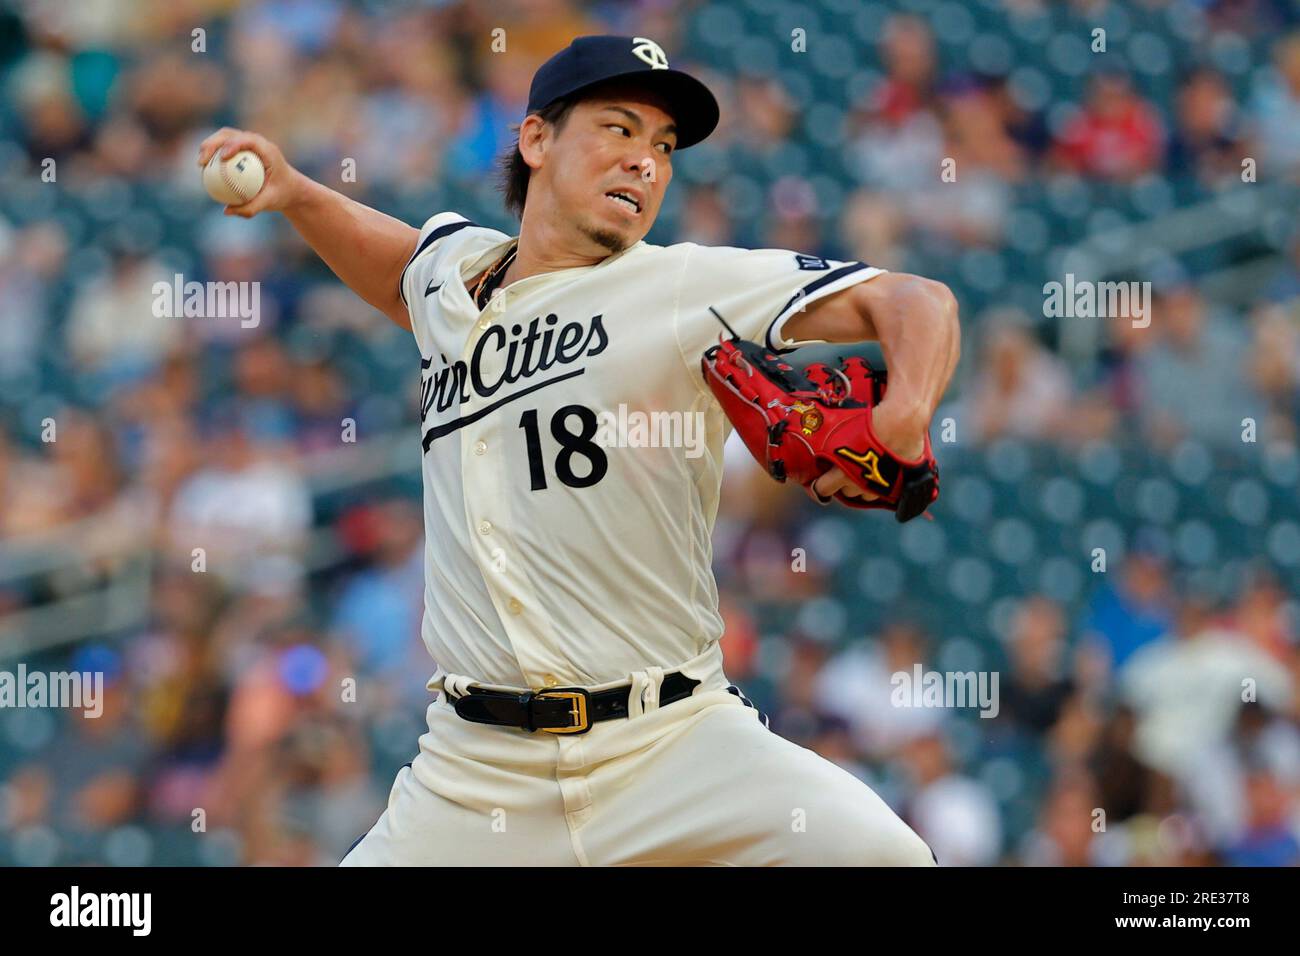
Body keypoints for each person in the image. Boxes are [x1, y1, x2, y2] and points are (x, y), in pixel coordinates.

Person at [196, 35, 959, 866]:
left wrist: (904, 414)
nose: (645, 162)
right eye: (619, 129)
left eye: (663, 148)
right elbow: (396, 272)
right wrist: (298, 193)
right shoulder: (452, 275)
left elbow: (915, 300)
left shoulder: (679, 286)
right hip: (475, 773)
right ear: (535, 140)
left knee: (890, 858)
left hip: (673, 745)